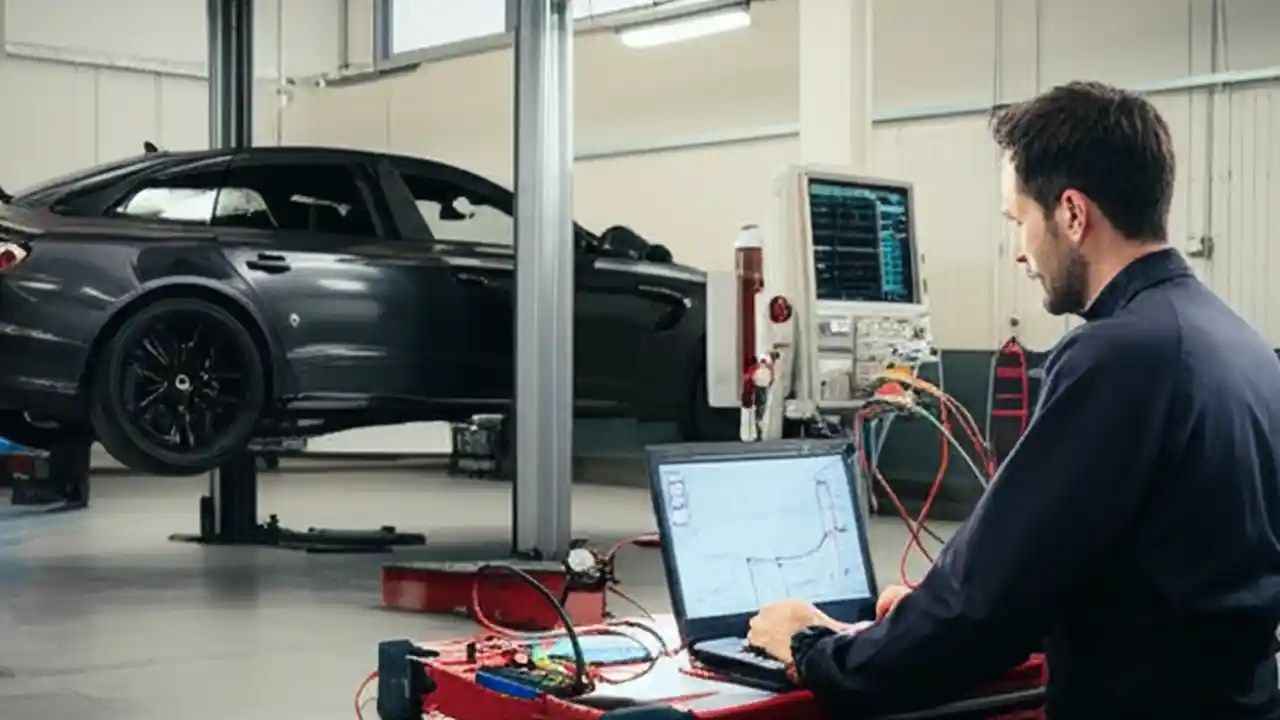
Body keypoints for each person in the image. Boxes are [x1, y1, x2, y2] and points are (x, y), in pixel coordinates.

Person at [746, 80, 1280, 718]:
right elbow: (1144, 563)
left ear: (1073, 214)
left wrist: (811, 648)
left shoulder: (1116, 356)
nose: (1020, 250)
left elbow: (986, 608)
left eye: (1019, 220)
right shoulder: (1240, 343)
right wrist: (922, 610)